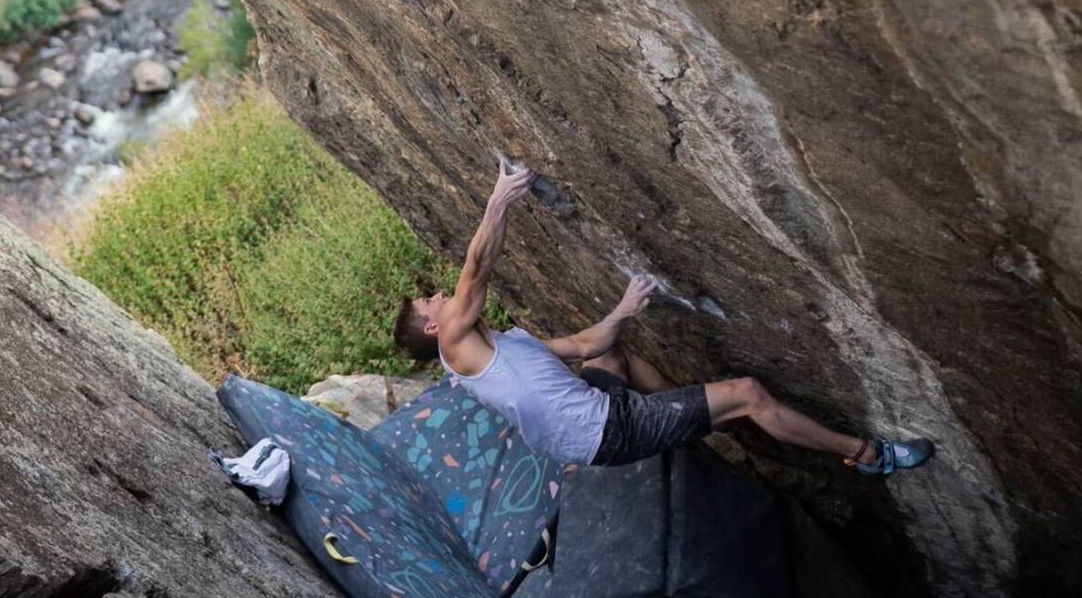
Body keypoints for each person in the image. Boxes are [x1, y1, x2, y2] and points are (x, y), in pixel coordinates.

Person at [393, 157, 934, 474]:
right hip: (610, 431)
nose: (438, 296)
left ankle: (688, 416)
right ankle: (867, 456)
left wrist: (624, 308)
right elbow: (476, 269)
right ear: (436, 329)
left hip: (591, 418)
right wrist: (500, 199)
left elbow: (583, 346)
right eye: (430, 304)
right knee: (747, 392)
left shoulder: (497, 346)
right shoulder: (457, 350)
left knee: (610, 350)